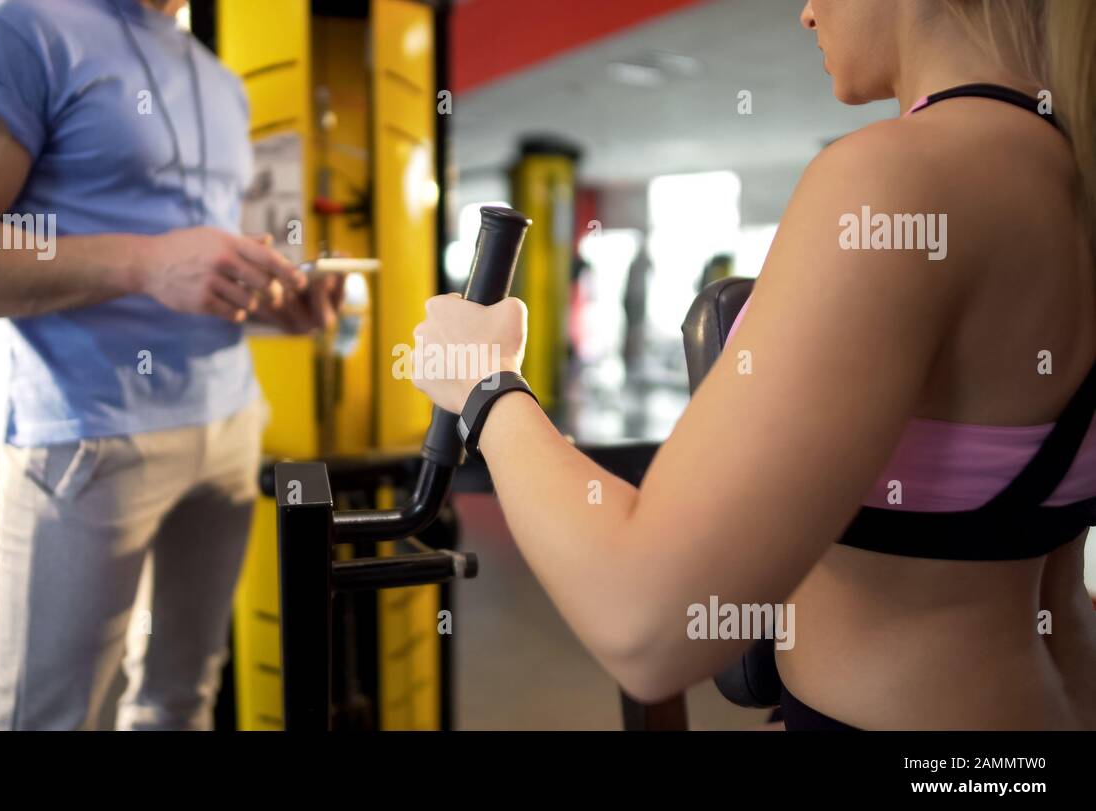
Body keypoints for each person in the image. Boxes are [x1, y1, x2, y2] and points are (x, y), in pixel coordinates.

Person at [411, 0, 1096, 729]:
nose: (805, 14)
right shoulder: (1069, 177)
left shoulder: (896, 177)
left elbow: (644, 619)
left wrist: (485, 383)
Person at [0, 0, 340, 729]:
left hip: (229, 425)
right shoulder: (19, 28)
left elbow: (191, 247)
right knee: (50, 720)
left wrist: (275, 294)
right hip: (87, 437)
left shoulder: (221, 79)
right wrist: (144, 263)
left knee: (179, 703)